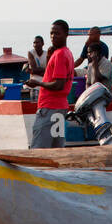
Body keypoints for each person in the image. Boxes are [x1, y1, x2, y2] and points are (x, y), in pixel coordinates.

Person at [27, 19, 74, 148]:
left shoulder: (59, 55)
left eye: (57, 33)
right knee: (56, 150)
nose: (53, 36)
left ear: (66, 34)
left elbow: (59, 85)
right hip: (60, 107)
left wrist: (38, 83)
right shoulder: (67, 53)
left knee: (39, 150)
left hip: (49, 108)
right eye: (51, 33)